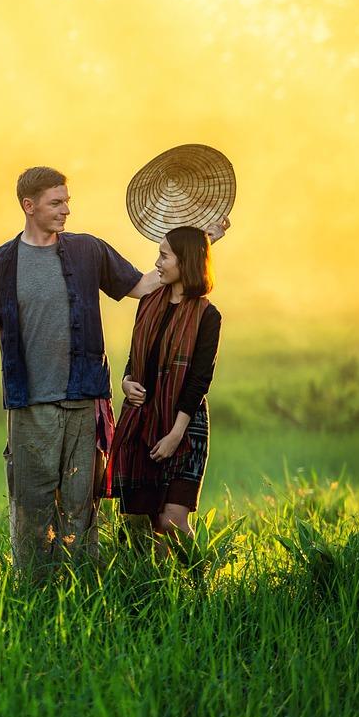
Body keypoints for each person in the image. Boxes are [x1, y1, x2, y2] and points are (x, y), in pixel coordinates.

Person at [0, 167, 162, 574]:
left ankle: (81, 589)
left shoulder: (89, 251)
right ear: (28, 205)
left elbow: (142, 285)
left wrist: (201, 243)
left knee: (81, 510)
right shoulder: (0, 264)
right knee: (31, 511)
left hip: (84, 405)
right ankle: (31, 593)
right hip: (30, 409)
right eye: (56, 202)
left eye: (67, 201)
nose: (66, 210)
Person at [108, 226, 221, 540]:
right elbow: (135, 358)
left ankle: (200, 584)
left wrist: (175, 434)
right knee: (143, 527)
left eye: (164, 255)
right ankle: (160, 588)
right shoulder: (148, 302)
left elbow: (200, 380)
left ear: (184, 262)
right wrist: (126, 382)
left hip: (184, 425)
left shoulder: (208, 315)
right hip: (141, 421)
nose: (157, 263)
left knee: (171, 521)